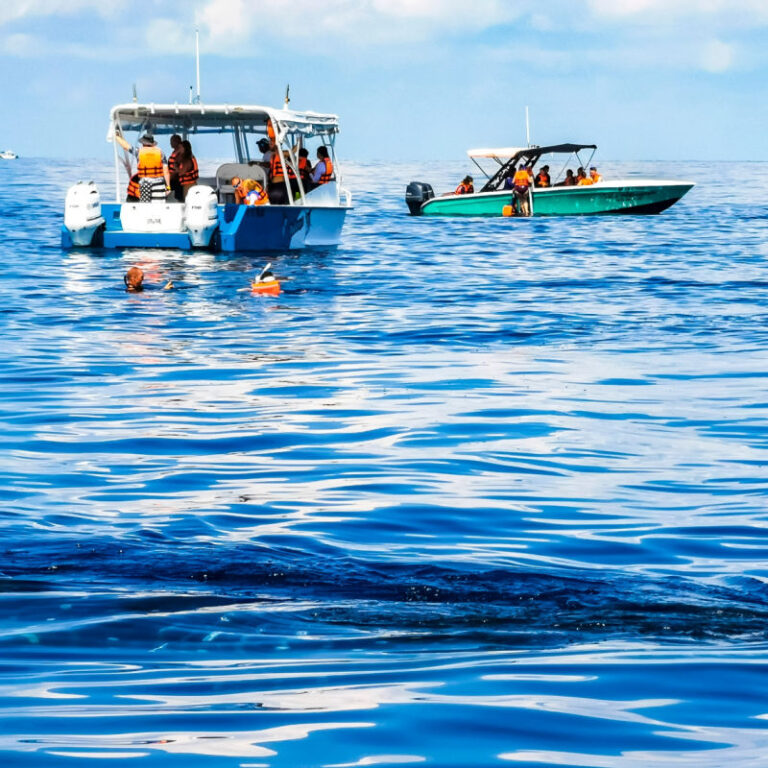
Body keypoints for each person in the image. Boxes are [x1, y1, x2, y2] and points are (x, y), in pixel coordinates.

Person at [115, 131, 170, 201]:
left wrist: (117, 137)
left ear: (143, 143)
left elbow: (126, 146)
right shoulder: (160, 152)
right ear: (152, 143)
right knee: (158, 207)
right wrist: (168, 187)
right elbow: (166, 171)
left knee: (145, 207)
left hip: (145, 184)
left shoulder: (139, 152)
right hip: (159, 185)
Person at [168, 134, 183, 201]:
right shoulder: (175, 152)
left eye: (172, 141)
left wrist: (169, 178)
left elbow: (178, 169)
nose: (170, 143)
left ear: (177, 142)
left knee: (179, 198)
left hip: (177, 181)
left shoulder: (180, 153)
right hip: (173, 180)